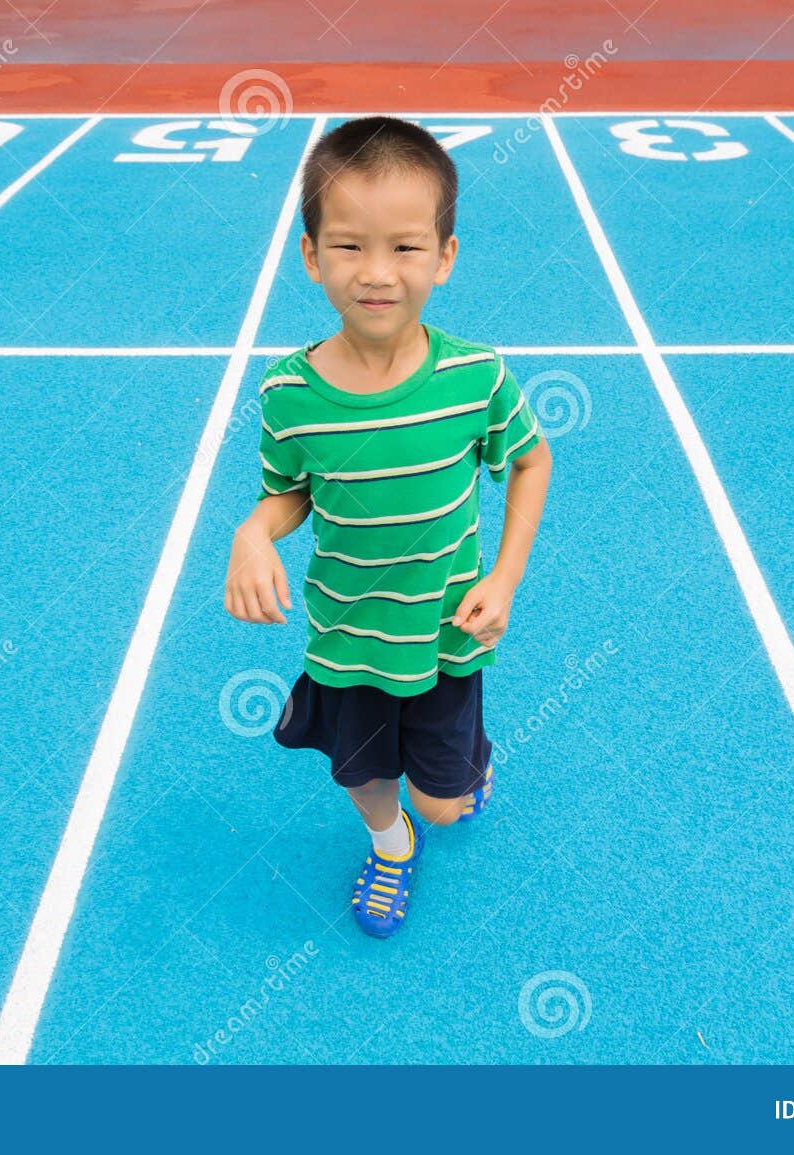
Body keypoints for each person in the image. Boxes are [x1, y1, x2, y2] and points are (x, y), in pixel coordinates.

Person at [225, 116, 551, 938]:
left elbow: (532, 460)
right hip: (349, 638)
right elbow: (290, 493)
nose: (376, 274)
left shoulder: (476, 378)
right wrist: (252, 532)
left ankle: (450, 783)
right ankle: (388, 841)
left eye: (405, 247)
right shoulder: (287, 394)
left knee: (448, 805)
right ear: (310, 254)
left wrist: (504, 576)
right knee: (362, 775)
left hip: (445, 638)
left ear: (445, 256)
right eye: (348, 247)